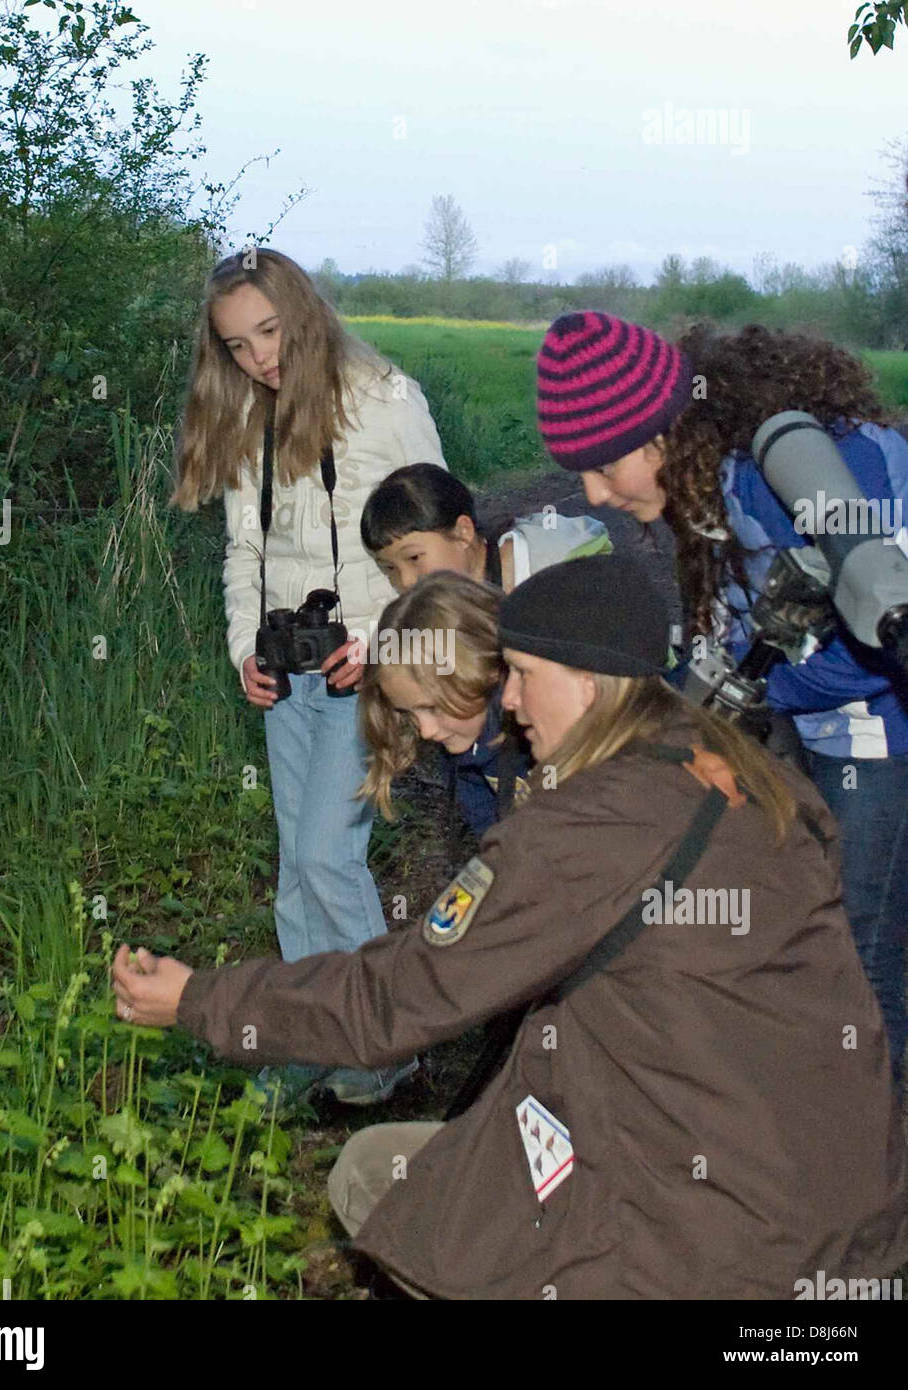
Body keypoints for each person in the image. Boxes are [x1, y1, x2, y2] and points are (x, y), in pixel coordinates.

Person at [112, 553, 908, 1300]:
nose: (513, 700)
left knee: (381, 1177)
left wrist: (199, 1001)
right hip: (855, 1216)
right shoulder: (750, 774)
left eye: (523, 675)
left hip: (720, 1249)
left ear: (588, 681)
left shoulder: (582, 829)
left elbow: (396, 998)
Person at [535, 310, 908, 1096]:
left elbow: (871, 645)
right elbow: (753, 619)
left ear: (660, 432)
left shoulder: (795, 480)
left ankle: (870, 1146)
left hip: (879, 736)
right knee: (811, 919)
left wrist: (746, 691)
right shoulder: (711, 479)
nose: (595, 493)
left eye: (604, 466)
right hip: (817, 727)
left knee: (862, 949)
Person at [171, 247, 446, 1106]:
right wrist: (244, 647)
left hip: (368, 670)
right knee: (297, 865)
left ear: (304, 311)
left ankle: (384, 1048)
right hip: (285, 669)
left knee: (330, 856)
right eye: (236, 346)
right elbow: (244, 550)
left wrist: (379, 639)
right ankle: (307, 1038)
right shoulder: (247, 413)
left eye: (269, 331)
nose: (258, 358)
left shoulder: (384, 399)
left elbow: (436, 544)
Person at [358, 571, 530, 839]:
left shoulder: (540, 734)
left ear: (486, 671)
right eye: (407, 712)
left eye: (432, 708)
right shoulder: (468, 747)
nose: (425, 731)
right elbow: (493, 836)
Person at [360, 461, 609, 594]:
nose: (405, 581)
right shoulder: (436, 608)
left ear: (463, 532)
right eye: (389, 568)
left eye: (414, 557)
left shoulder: (552, 576)